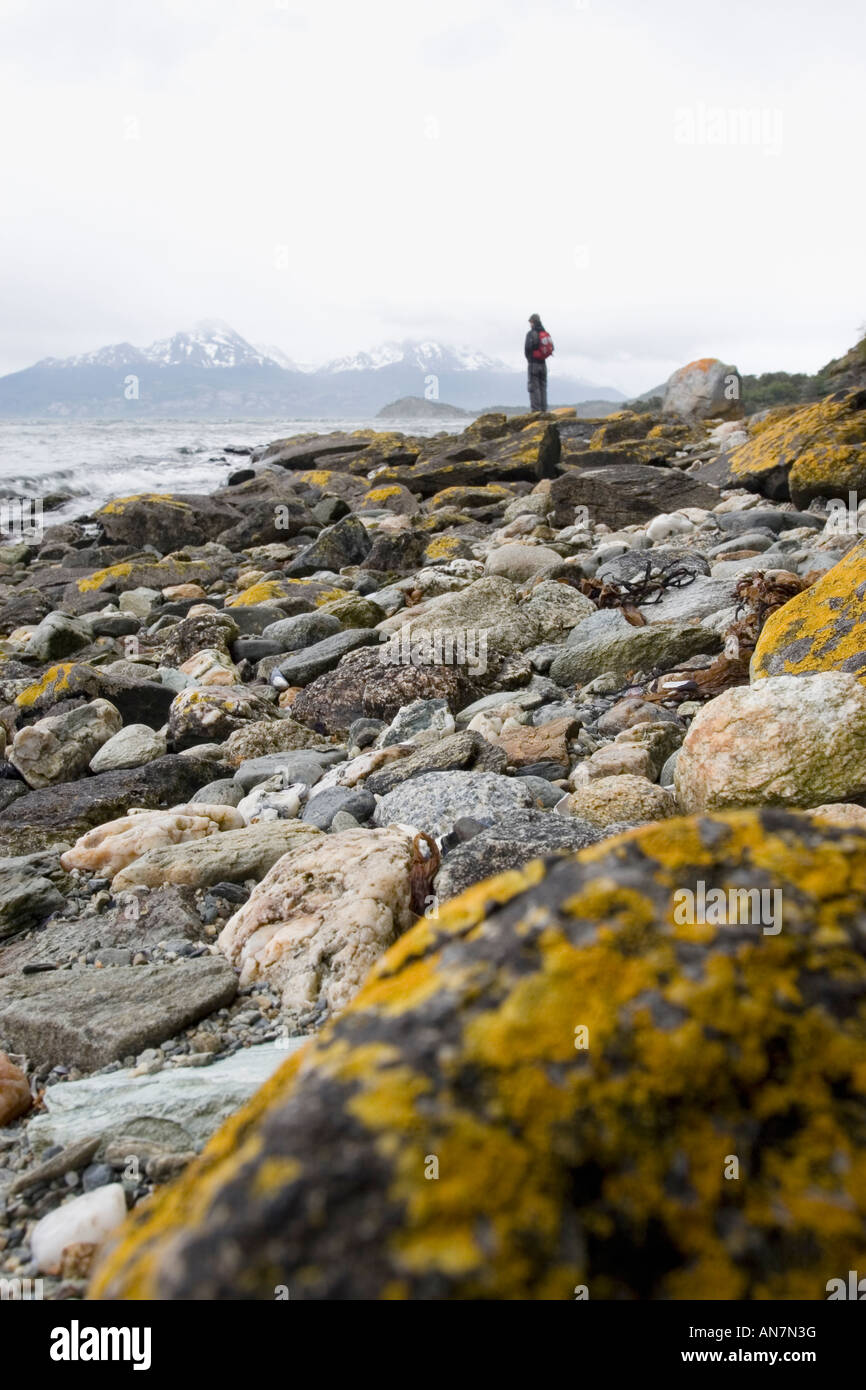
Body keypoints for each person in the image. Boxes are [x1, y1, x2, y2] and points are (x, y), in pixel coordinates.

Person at [525, 313, 553, 412]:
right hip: (543, 364)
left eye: (530, 322)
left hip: (533, 365)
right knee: (543, 387)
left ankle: (536, 412)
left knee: (534, 387)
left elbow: (527, 349)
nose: (530, 324)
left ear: (532, 322)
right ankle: (544, 410)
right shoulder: (544, 333)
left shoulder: (531, 333)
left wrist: (530, 360)